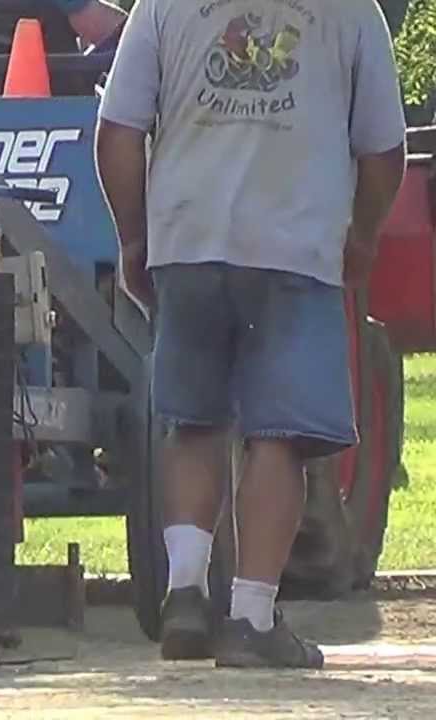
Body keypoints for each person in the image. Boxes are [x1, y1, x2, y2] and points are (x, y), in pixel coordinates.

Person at [95, 0, 407, 668]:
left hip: (188, 240)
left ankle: (184, 595)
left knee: (193, 421)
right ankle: (251, 619)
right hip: (293, 245)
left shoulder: (164, 7)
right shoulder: (352, 12)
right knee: (279, 439)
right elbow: (384, 149)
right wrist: (362, 237)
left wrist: (133, 240)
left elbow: (118, 132)